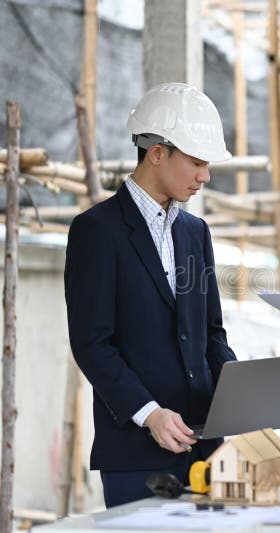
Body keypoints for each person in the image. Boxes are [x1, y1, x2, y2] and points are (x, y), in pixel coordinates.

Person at [64, 82, 237, 507]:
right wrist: (150, 413)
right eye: (197, 162)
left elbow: (211, 332)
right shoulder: (97, 231)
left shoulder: (195, 233)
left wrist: (238, 397)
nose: (205, 176)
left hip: (205, 449)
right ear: (157, 153)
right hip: (136, 454)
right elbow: (92, 344)